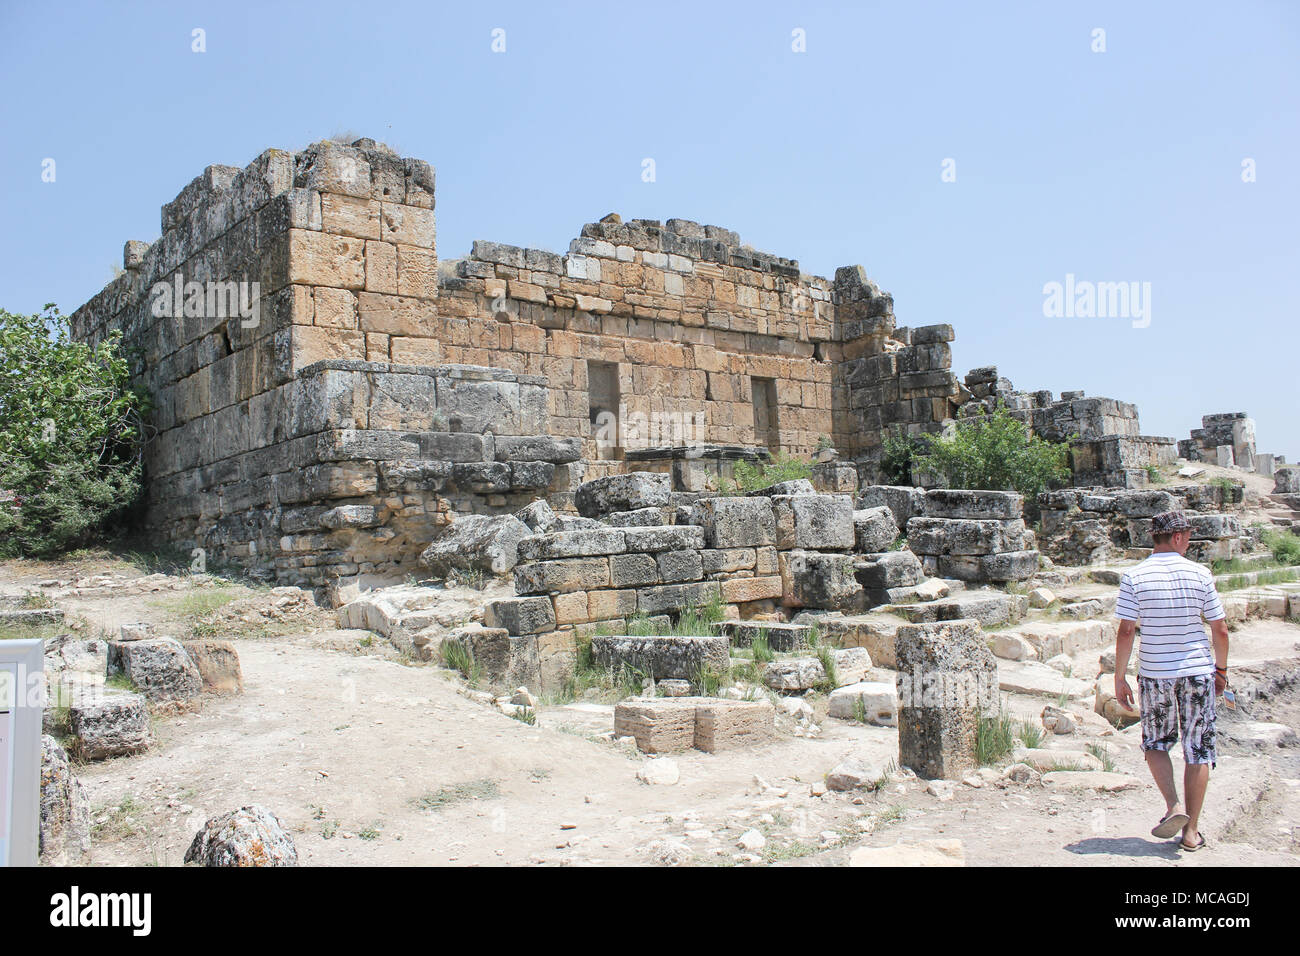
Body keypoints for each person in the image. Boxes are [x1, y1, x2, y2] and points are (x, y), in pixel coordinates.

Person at [1113, 509, 1229, 852]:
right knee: (1199, 750)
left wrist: (1119, 677)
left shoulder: (1134, 576)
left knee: (1156, 744)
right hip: (1197, 671)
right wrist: (1220, 670)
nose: (1189, 543)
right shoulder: (1200, 574)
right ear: (1177, 537)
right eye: (1188, 537)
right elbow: (1219, 628)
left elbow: (1126, 630)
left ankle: (1173, 806)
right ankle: (1191, 832)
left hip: (1155, 673)